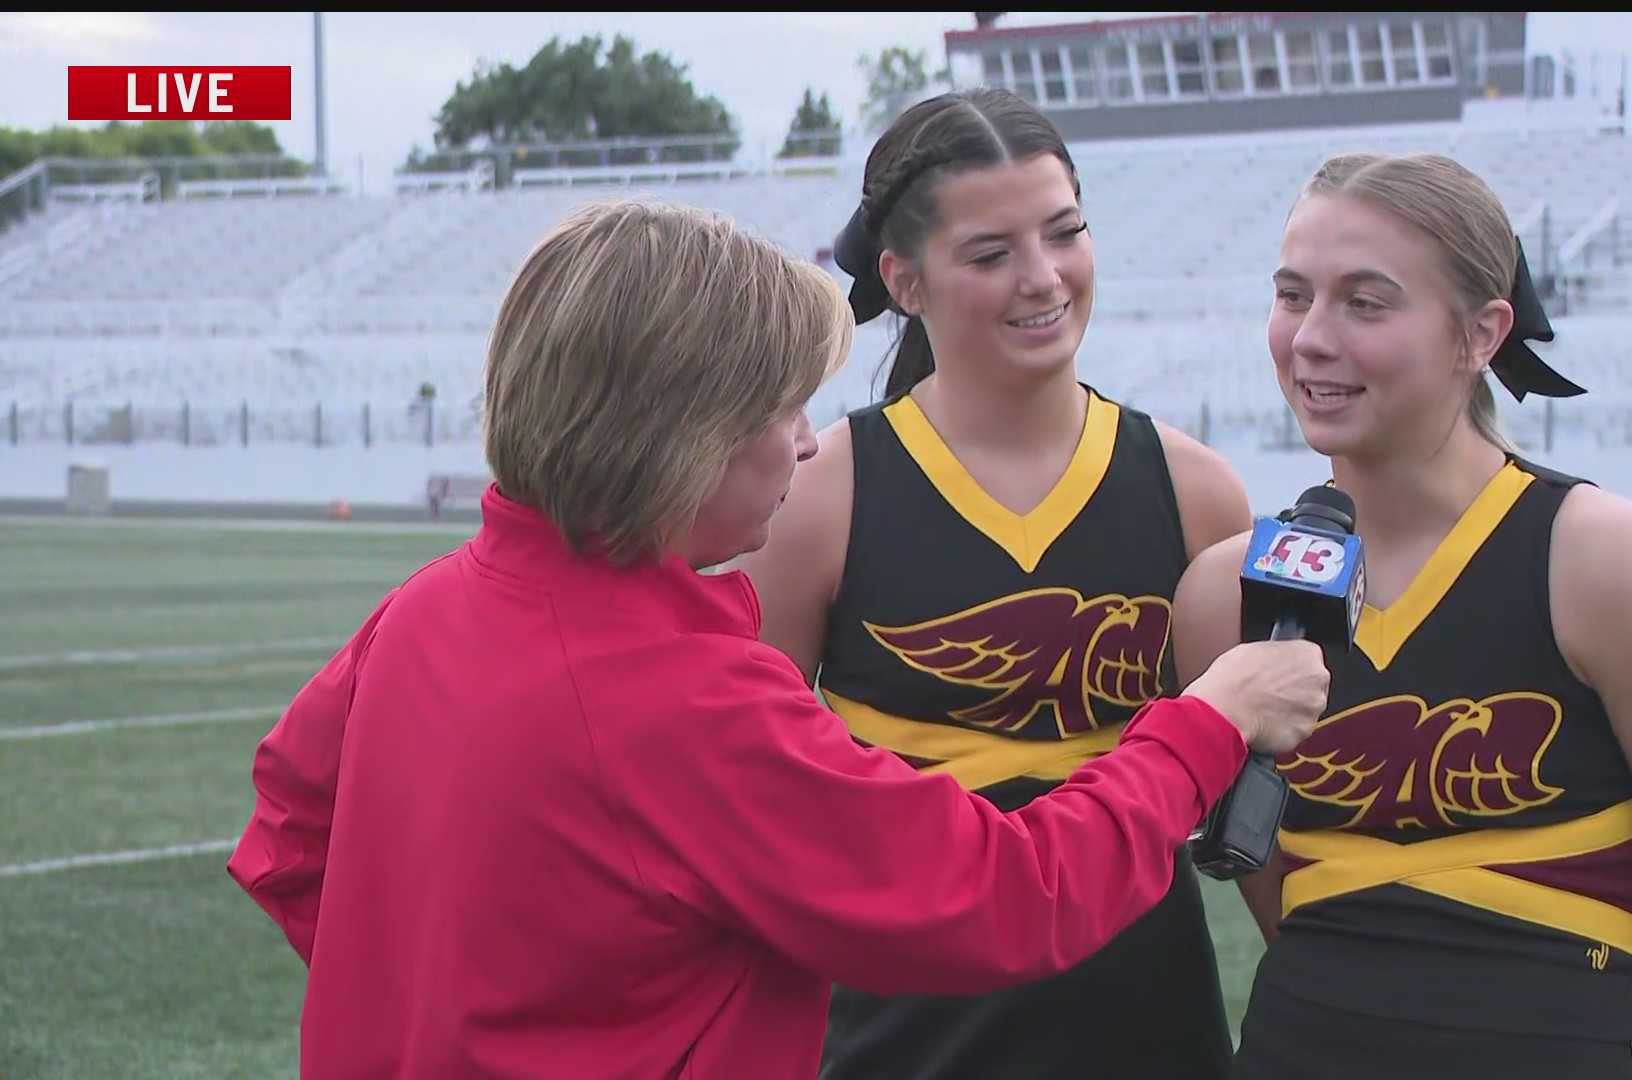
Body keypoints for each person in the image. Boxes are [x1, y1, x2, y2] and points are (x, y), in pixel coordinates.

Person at [224, 197, 1332, 1080]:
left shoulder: (426, 605)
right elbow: (1009, 893)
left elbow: (285, 835)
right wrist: (1211, 720)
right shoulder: (678, 698)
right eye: (786, 409)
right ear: (681, 437)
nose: (810, 445)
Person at [1170, 150, 1632, 1080]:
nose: (1310, 337)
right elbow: (1284, 908)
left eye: (1366, 301)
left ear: (1481, 333)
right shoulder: (1222, 593)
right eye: (1292, 294)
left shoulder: (1601, 561)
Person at [732, 88, 1256, 1080]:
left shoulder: (1196, 494)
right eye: (990, 254)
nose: (1043, 278)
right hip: (899, 1045)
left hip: (1153, 1034)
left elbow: (1262, 814)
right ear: (904, 280)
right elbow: (752, 810)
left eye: (1065, 234)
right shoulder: (824, 497)